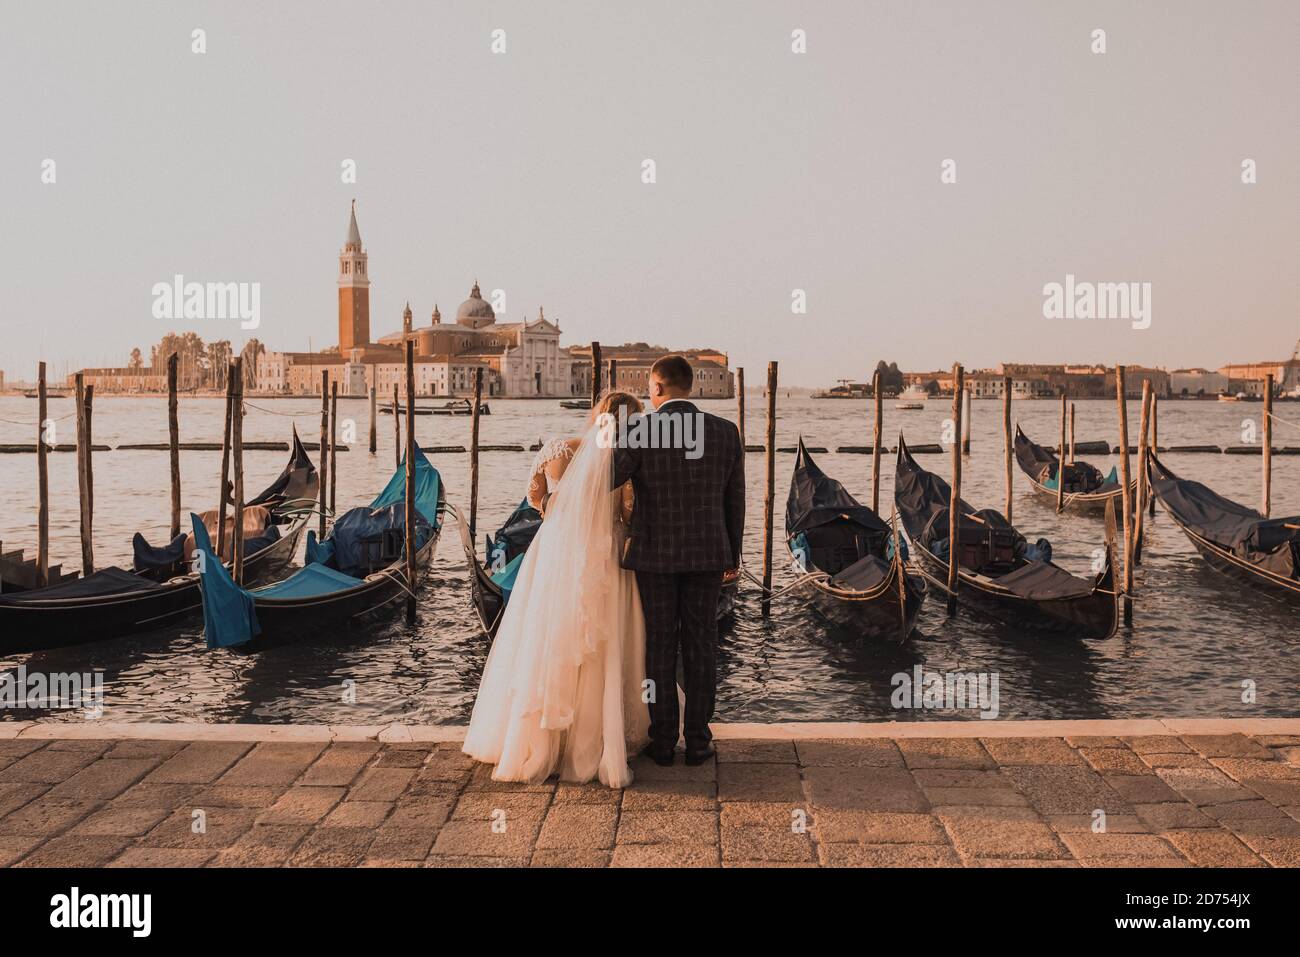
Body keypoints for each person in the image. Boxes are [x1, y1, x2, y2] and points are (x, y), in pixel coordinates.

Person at [463, 391, 648, 786]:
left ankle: (539, 737)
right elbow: (628, 513)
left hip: (557, 551)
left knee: (546, 635)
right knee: (604, 642)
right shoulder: (626, 463)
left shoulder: (557, 448)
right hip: (607, 555)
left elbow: (534, 497)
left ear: (596, 413)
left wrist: (554, 512)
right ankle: (595, 736)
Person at [612, 355, 745, 766]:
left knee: (660, 646)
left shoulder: (639, 429)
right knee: (702, 645)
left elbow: (608, 479)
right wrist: (733, 553)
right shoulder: (726, 432)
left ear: (656, 388)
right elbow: (734, 498)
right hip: (708, 554)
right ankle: (700, 741)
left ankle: (664, 740)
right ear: (690, 386)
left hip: (654, 555)